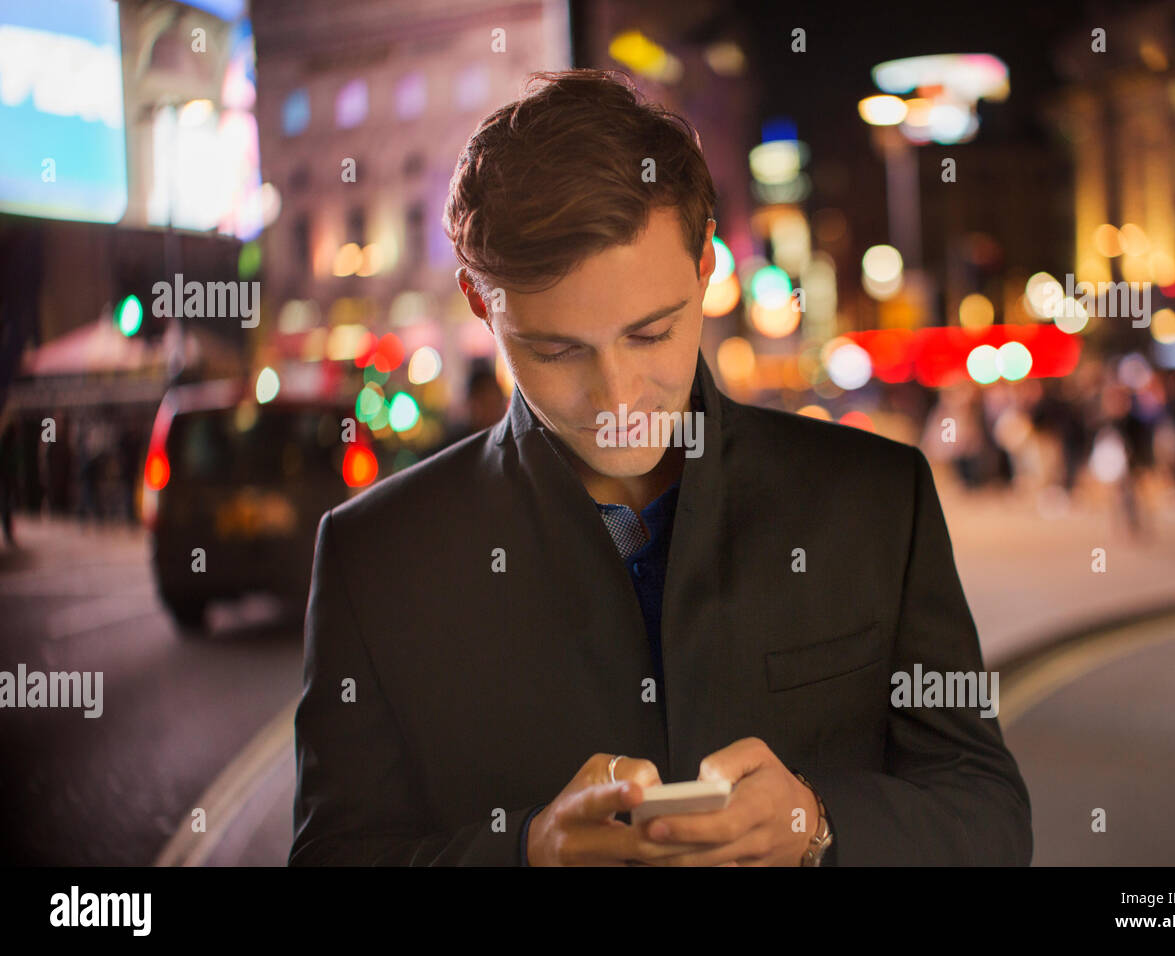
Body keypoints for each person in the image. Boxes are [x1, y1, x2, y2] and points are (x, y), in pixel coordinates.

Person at [290, 69, 1032, 867]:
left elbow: (988, 816)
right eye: (556, 350)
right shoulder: (377, 558)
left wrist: (819, 825)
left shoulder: (880, 500)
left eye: (651, 334)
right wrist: (523, 855)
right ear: (480, 301)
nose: (617, 396)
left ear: (706, 264)